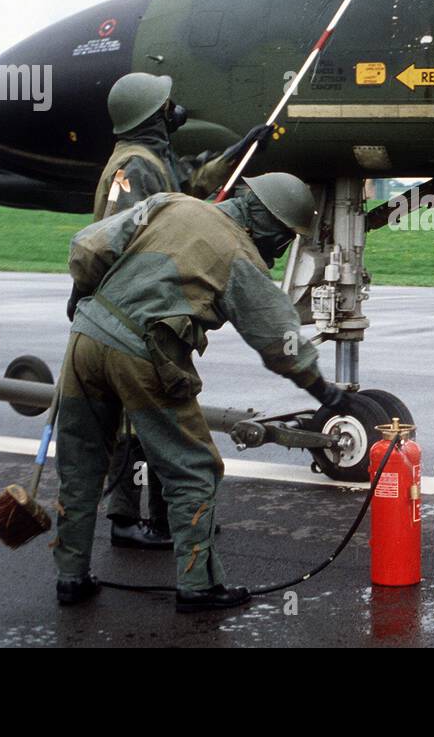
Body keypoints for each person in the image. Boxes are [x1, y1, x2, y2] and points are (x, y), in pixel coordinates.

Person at [54, 175, 347, 612]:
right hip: (143, 354)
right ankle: (198, 587)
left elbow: (89, 247)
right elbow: (278, 339)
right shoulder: (238, 254)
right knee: (194, 469)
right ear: (267, 222)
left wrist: (80, 298)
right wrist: (325, 392)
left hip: (85, 339)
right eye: (285, 236)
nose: (282, 247)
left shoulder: (172, 203)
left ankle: (71, 578)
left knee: (81, 462)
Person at [76, 71, 271, 552]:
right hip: (135, 309)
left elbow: (189, 187)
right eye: (167, 104)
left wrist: (237, 153)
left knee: (156, 413)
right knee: (139, 419)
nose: (175, 110)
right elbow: (122, 232)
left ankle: (171, 519)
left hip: (144, 305)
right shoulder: (134, 167)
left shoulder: (152, 160)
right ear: (152, 113)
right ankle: (126, 519)